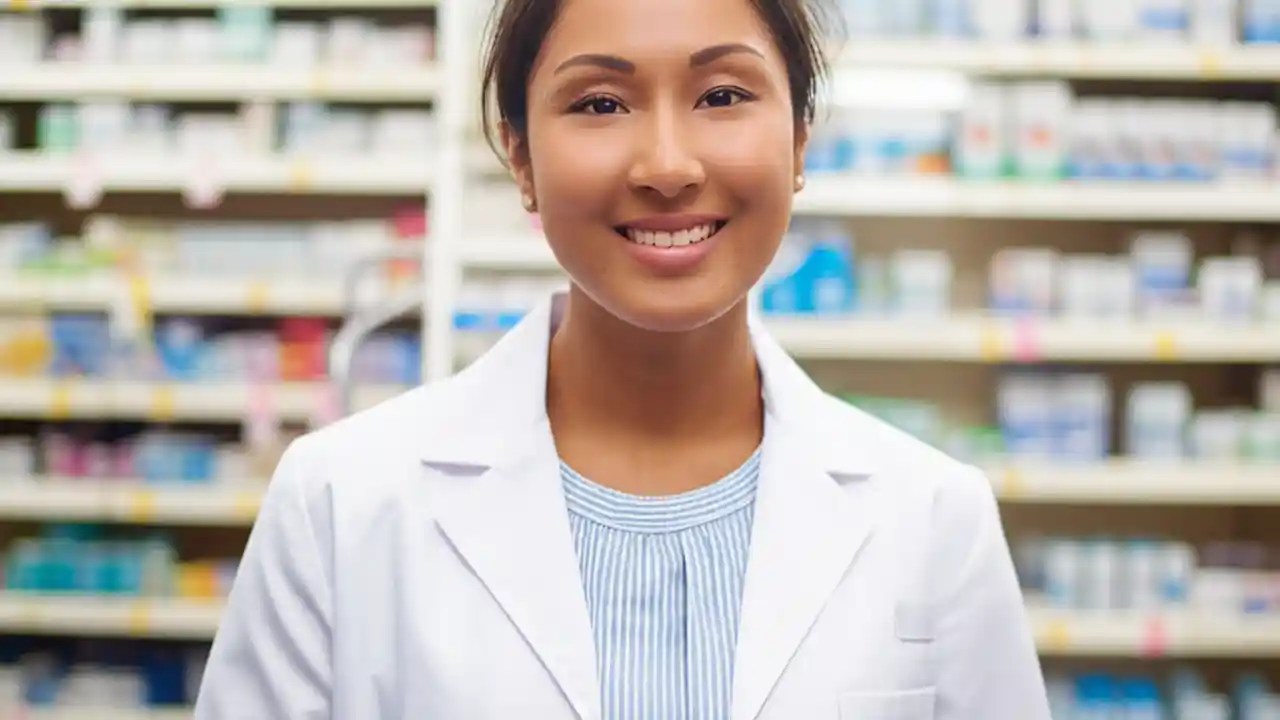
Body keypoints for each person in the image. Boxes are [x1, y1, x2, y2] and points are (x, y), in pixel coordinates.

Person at [194, 0, 1051, 715]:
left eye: (721, 94)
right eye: (600, 104)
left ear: (799, 141)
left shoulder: (936, 518)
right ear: (520, 155)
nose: (668, 167)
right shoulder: (339, 505)